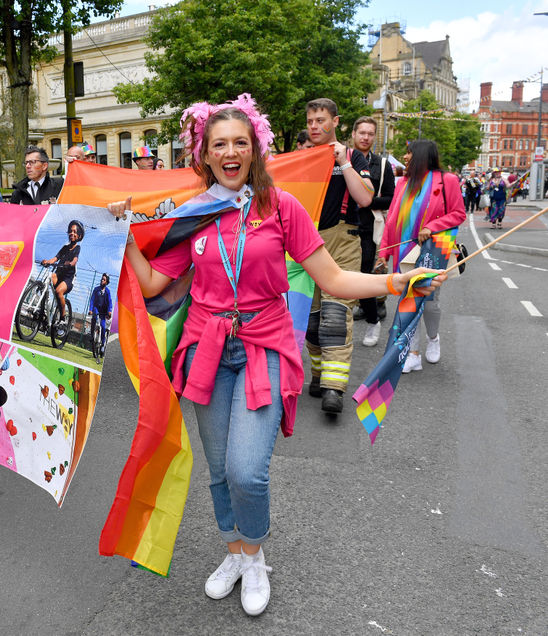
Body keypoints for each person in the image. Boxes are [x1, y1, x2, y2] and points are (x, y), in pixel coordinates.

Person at [107, 94, 443, 618]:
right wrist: (126, 237)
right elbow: (153, 282)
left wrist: (396, 280)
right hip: (206, 350)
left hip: (265, 344)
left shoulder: (281, 207)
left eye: (241, 141)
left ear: (256, 148)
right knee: (218, 469)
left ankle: (256, 553)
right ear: (205, 153)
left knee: (247, 470)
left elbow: (332, 278)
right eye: (219, 144)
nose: (231, 151)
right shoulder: (193, 215)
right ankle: (234, 553)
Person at [304, 98, 373, 414]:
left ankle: (335, 388)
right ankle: (318, 375)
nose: (315, 126)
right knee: (312, 319)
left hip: (343, 243)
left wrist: (344, 161)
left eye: (321, 120)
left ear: (335, 122)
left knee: (335, 316)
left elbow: (365, 197)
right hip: (307, 245)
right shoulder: (304, 157)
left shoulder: (354, 155)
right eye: (311, 121)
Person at [376, 139, 465, 373]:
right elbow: (392, 219)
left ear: (422, 156)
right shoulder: (403, 183)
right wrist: (385, 251)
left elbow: (458, 213)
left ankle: (433, 338)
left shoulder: (448, 181)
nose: (405, 157)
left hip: (432, 250)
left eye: (409, 153)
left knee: (430, 301)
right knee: (408, 300)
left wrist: (433, 226)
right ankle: (412, 353)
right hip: (404, 252)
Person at [350, 116, 395, 347]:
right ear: (353, 134)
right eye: (362, 133)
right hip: (340, 227)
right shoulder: (341, 159)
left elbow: (390, 198)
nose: (366, 137)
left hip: (367, 229)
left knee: (362, 276)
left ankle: (373, 320)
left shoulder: (383, 165)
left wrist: (367, 201)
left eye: (370, 134)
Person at [40, 219, 84, 338]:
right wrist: (47, 261)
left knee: (59, 291)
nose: (72, 233)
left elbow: (75, 260)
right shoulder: (64, 247)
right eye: (70, 231)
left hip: (68, 278)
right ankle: (45, 310)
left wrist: (71, 263)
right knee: (50, 276)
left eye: (75, 232)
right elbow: (55, 258)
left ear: (79, 235)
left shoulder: (77, 248)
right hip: (59, 274)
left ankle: (63, 319)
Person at [88, 273, 113, 357]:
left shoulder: (108, 292)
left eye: (104, 279)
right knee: (94, 320)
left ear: (107, 282)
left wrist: (109, 311)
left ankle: (102, 343)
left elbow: (110, 302)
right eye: (102, 279)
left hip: (103, 312)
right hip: (96, 309)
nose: (102, 280)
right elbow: (92, 300)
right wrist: (90, 309)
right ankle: (92, 336)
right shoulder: (96, 289)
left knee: (102, 326)